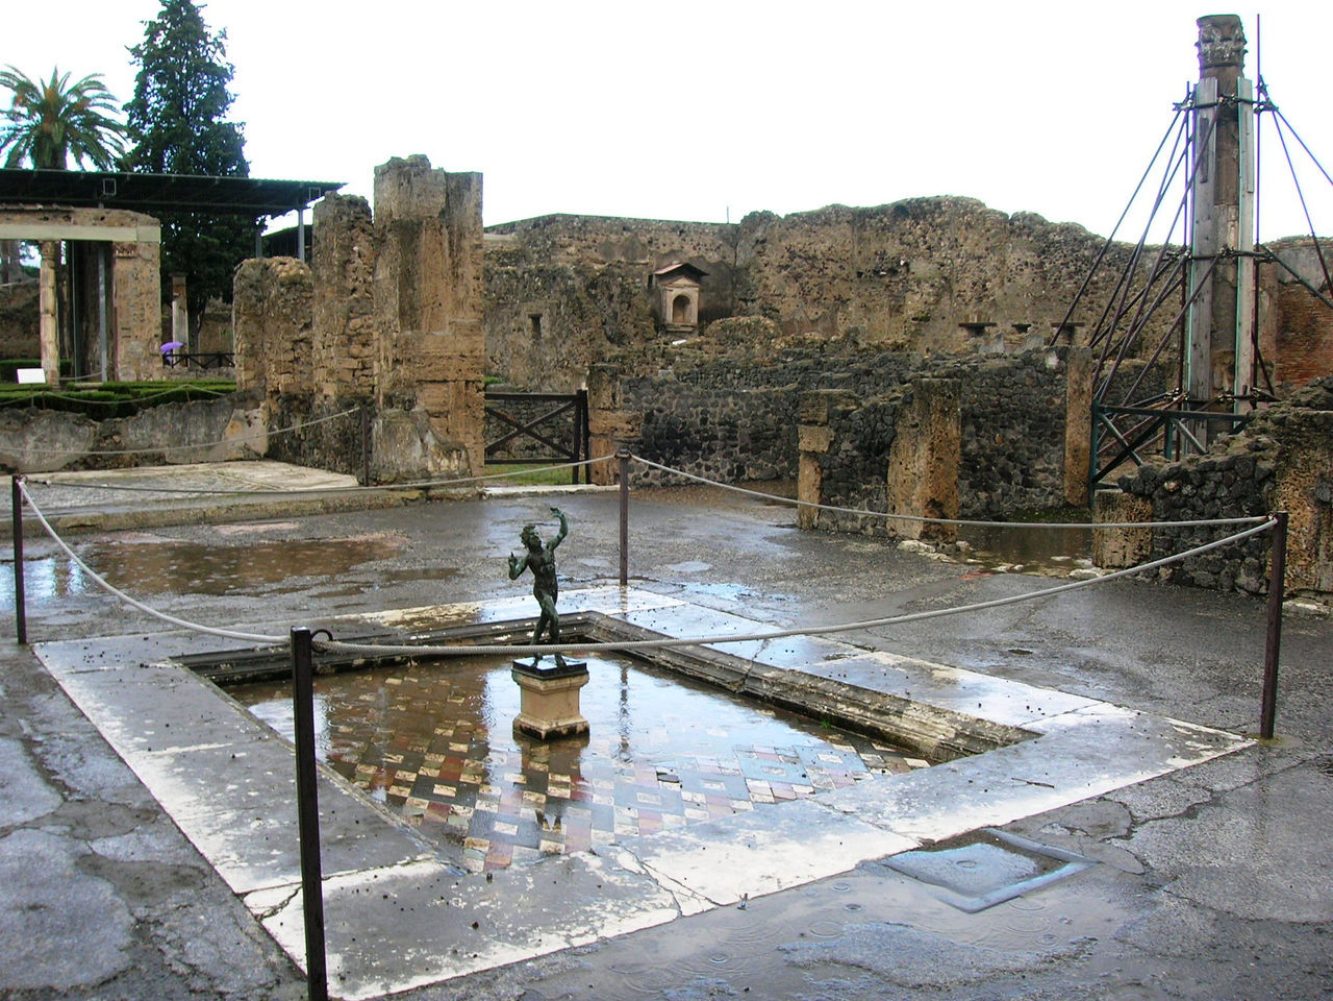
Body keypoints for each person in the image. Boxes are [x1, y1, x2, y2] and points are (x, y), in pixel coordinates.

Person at [508, 507, 569, 659]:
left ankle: (533, 645)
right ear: (527, 542)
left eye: (536, 534)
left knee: (544, 619)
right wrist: (511, 566)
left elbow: (562, 534)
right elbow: (514, 575)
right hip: (541, 591)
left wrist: (562, 518)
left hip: (554, 589)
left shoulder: (549, 548)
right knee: (554, 617)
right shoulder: (529, 558)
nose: (536, 537)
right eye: (532, 536)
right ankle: (556, 650)